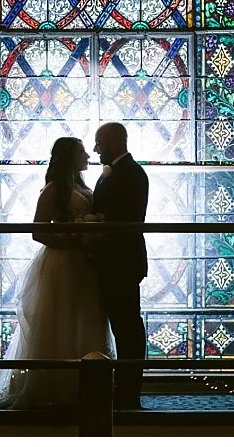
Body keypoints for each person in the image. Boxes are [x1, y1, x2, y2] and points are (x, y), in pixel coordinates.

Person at [0, 137, 111, 409]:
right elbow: (38, 230)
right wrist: (72, 242)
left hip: (85, 263)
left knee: (85, 318)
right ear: (69, 157)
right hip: (62, 262)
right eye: (82, 152)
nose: (88, 156)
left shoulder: (84, 188)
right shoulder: (53, 190)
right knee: (60, 320)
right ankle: (56, 385)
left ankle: (85, 384)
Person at [90, 121, 149, 410]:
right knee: (122, 325)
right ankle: (123, 387)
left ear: (115, 142)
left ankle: (129, 390)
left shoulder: (132, 173)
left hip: (121, 261)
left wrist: (97, 223)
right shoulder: (117, 171)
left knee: (128, 328)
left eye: (99, 143)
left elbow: (128, 217)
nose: (95, 149)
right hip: (111, 260)